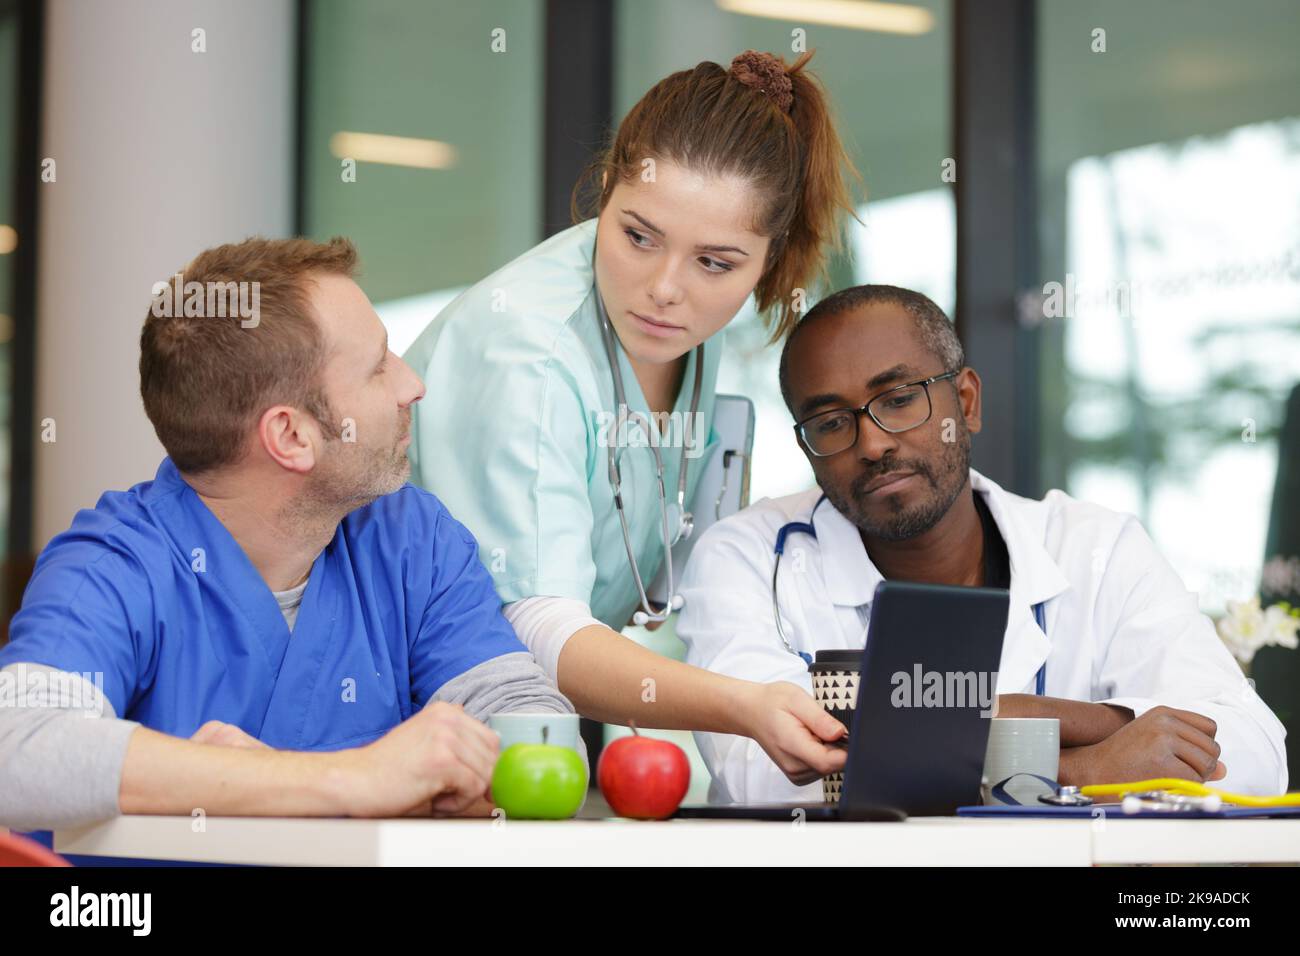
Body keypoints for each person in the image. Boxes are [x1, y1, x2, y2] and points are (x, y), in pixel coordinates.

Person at [0, 237, 579, 832]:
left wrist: (294, 781)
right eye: (379, 366)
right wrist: (349, 780)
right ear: (292, 437)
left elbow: (542, 740)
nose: (412, 384)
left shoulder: (413, 542)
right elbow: (16, 751)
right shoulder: (115, 565)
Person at [404, 50, 859, 784]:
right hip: (406, 720)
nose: (663, 289)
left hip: (522, 734)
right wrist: (745, 706)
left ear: (768, 260)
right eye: (638, 236)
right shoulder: (528, 348)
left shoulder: (684, 342)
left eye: (715, 263)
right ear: (608, 187)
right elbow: (535, 626)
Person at [676, 284, 1288, 804]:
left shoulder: (1096, 547)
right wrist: (1081, 761)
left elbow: (1254, 754)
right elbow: (765, 774)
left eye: (898, 399)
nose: (871, 443)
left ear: (964, 402)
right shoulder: (749, 557)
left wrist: (932, 730)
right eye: (831, 422)